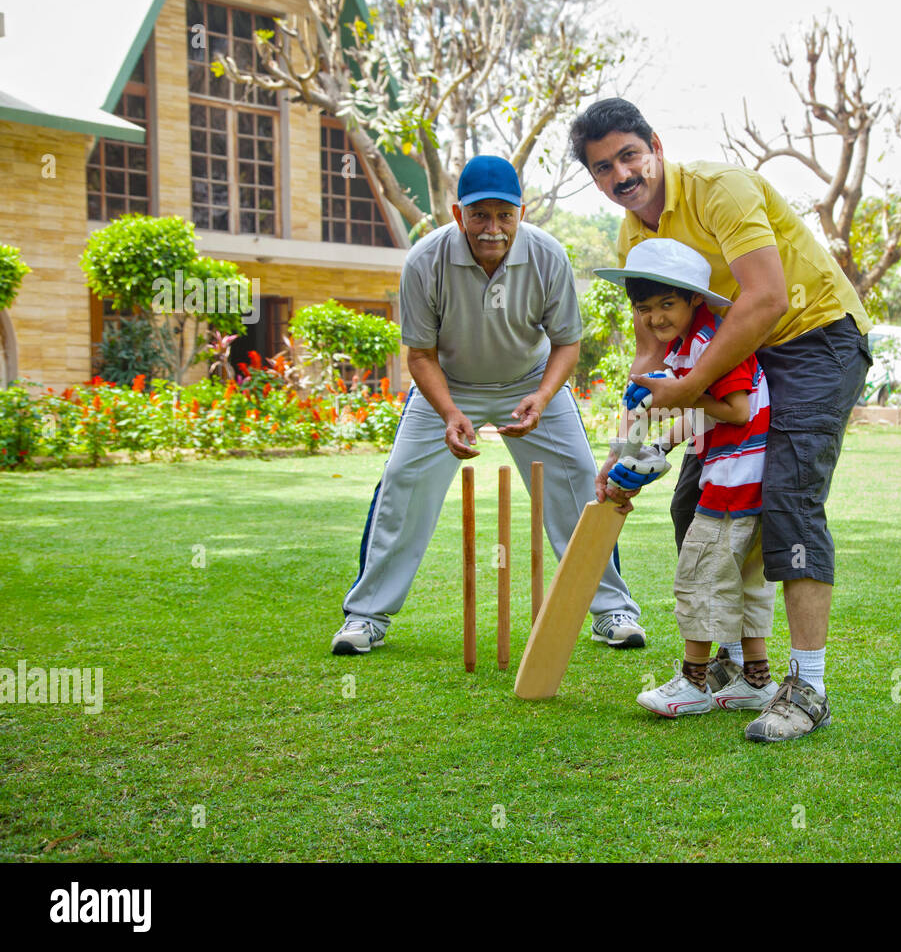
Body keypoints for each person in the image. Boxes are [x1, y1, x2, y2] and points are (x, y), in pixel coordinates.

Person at [569, 99, 872, 741]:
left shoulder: (719, 190)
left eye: (629, 154)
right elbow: (651, 352)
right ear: (594, 179)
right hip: (738, 357)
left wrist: (691, 386)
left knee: (788, 500)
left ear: (654, 143)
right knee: (693, 504)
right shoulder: (634, 234)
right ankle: (737, 673)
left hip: (816, 339)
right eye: (603, 167)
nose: (621, 174)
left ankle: (808, 687)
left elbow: (766, 297)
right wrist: (629, 450)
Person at [330, 154, 645, 656]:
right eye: (480, 215)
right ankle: (365, 616)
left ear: (521, 212)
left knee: (582, 480)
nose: (493, 228)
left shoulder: (547, 255)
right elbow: (419, 355)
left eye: (505, 214)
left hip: (531, 381)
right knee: (402, 483)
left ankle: (612, 611)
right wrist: (450, 411)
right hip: (449, 386)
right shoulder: (424, 260)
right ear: (458, 215)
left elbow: (566, 343)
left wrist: (543, 397)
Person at [593, 239, 782, 726]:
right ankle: (754, 682)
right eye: (644, 307)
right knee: (744, 580)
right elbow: (696, 409)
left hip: (733, 481)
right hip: (749, 479)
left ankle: (694, 683)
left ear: (694, 298)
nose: (655, 317)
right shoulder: (689, 344)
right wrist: (655, 446)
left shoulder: (709, 344)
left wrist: (677, 402)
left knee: (697, 575)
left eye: (666, 304)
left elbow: (735, 410)